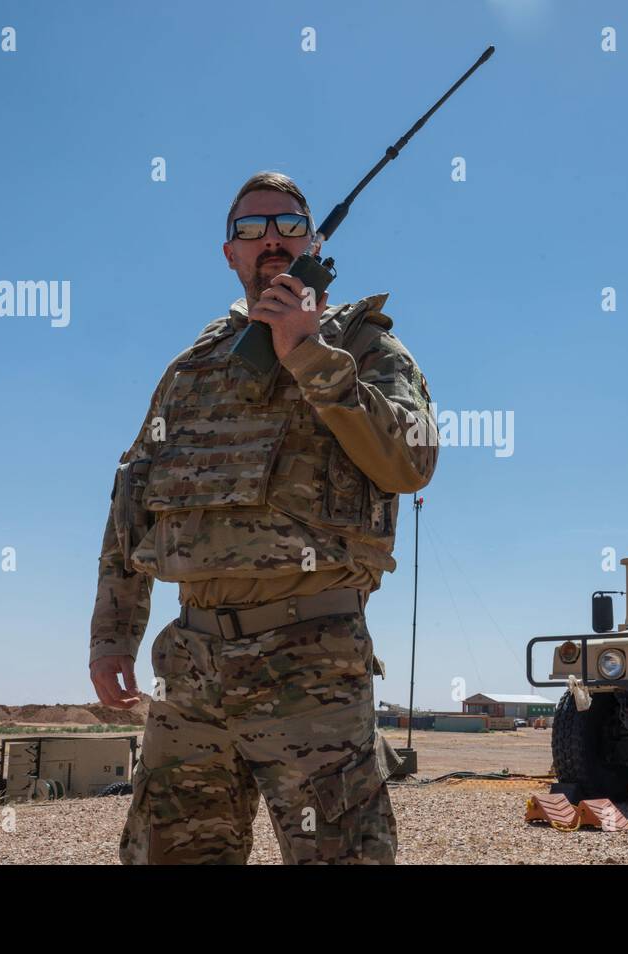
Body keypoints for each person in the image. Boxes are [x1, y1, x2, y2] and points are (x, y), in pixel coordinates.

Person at [88, 170, 437, 864]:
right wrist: (112, 637)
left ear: (312, 242)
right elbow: (133, 502)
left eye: (287, 225)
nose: (270, 239)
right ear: (230, 254)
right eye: (251, 229)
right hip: (191, 665)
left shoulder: (364, 346)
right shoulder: (194, 369)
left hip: (311, 659)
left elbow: (410, 462)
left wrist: (307, 354)